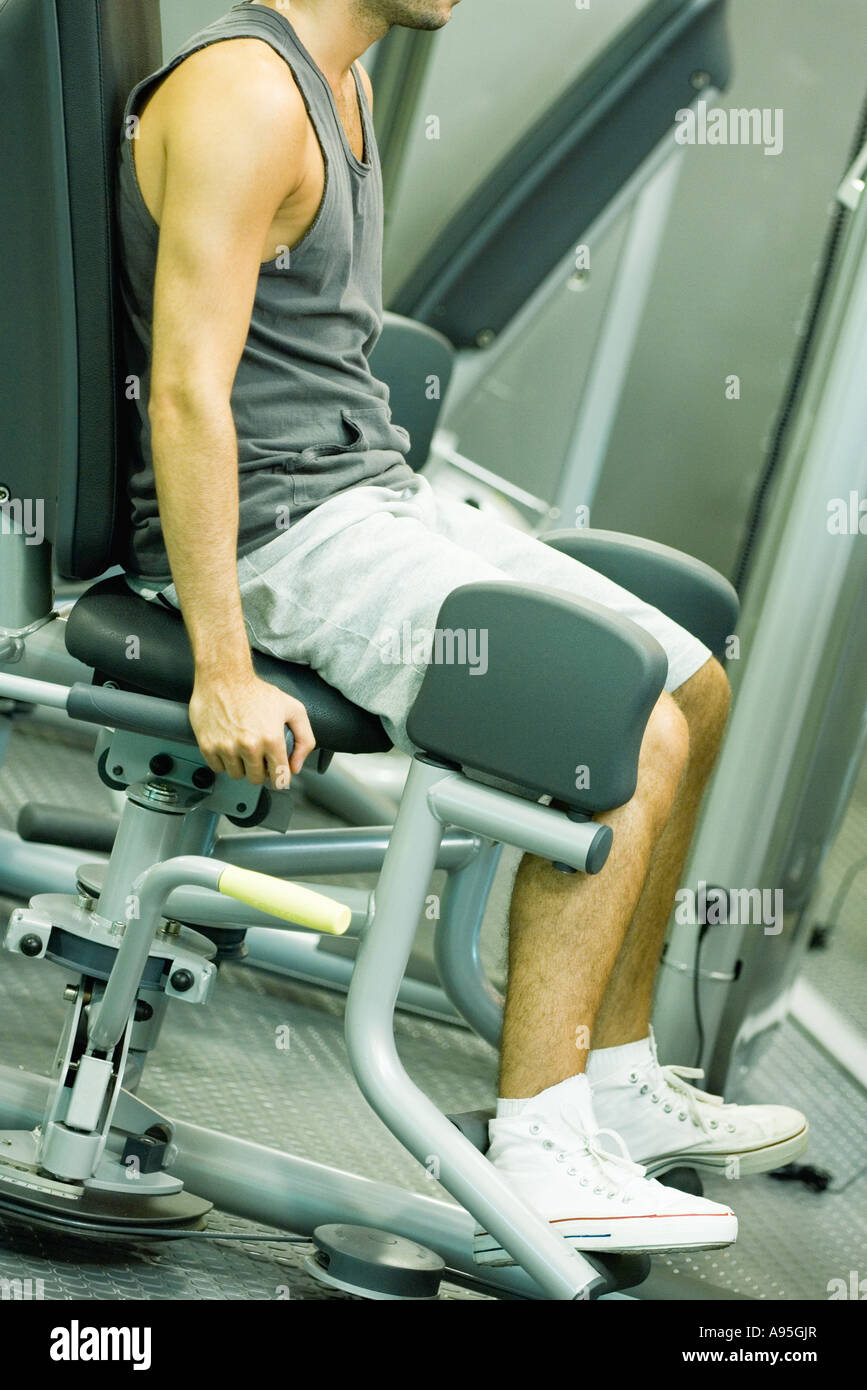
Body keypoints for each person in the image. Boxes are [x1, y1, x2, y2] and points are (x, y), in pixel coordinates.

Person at [117, 0, 807, 1264]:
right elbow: (183, 386)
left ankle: (614, 1078)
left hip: (370, 492)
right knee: (610, 714)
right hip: (282, 535)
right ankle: (537, 1146)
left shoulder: (347, 85)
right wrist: (221, 663)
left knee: (693, 682)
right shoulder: (248, 94)